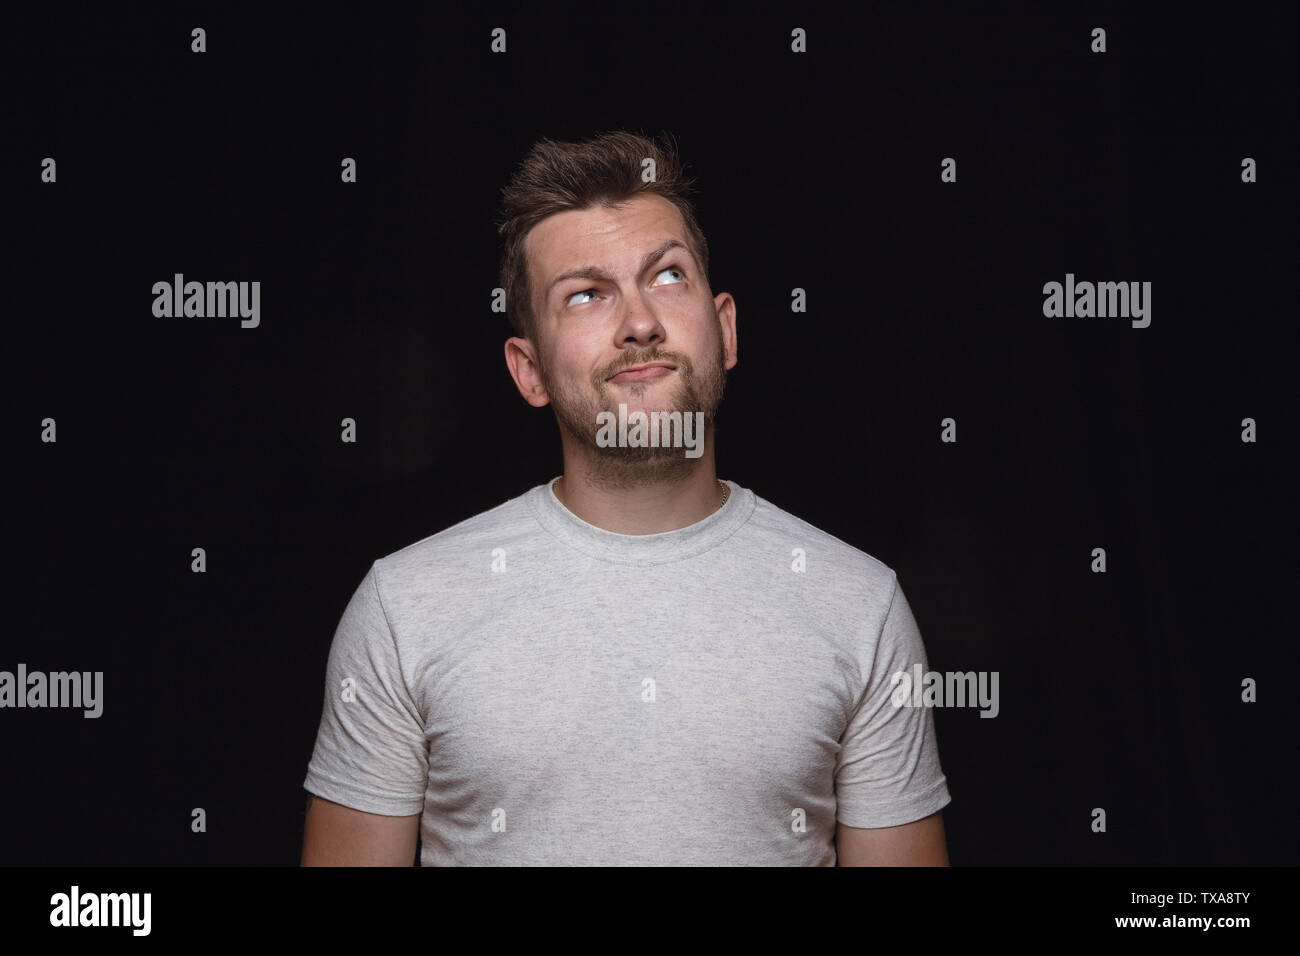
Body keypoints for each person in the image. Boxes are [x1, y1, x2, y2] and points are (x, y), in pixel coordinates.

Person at [301, 130, 951, 866]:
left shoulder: (860, 607)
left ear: (727, 328)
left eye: (668, 277)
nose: (639, 322)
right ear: (529, 370)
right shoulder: (403, 607)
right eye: (585, 294)